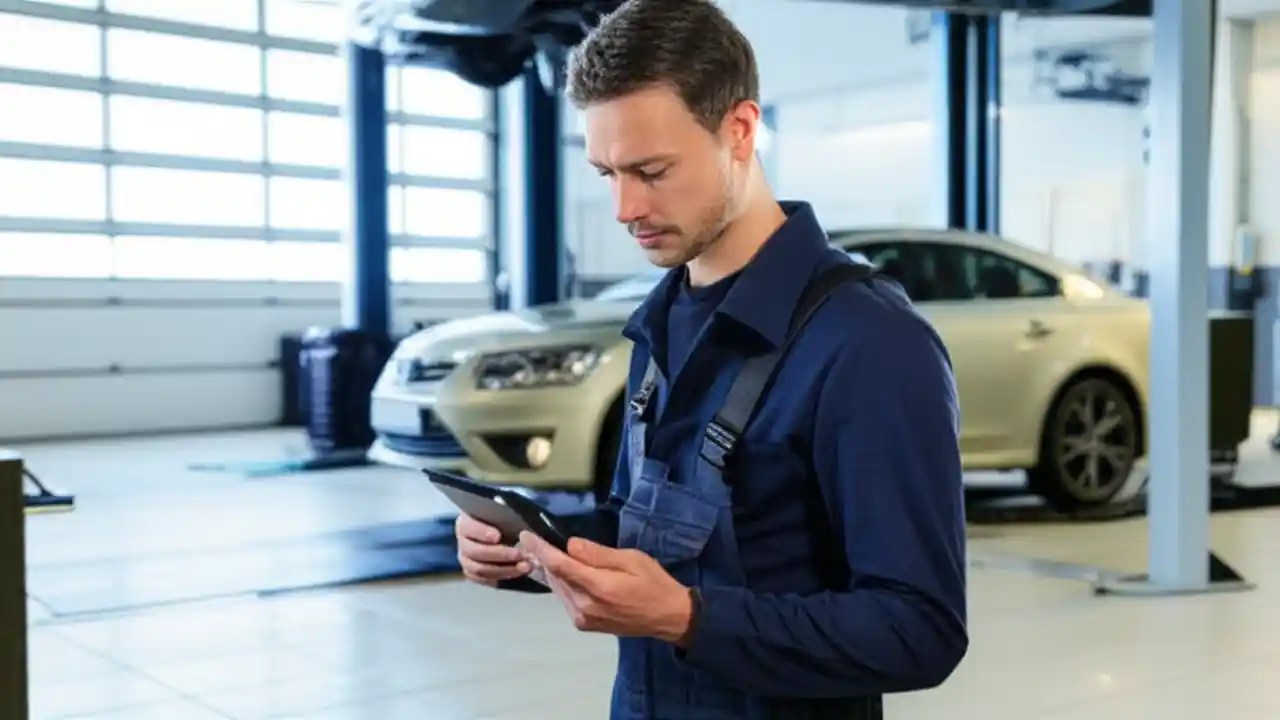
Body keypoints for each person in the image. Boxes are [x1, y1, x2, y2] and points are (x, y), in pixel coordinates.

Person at [453, 0, 968, 717]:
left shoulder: (868, 342)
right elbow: (650, 532)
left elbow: (920, 630)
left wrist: (688, 618)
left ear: (740, 130)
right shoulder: (660, 322)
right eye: (607, 173)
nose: (625, 208)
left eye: (652, 170)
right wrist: (538, 547)